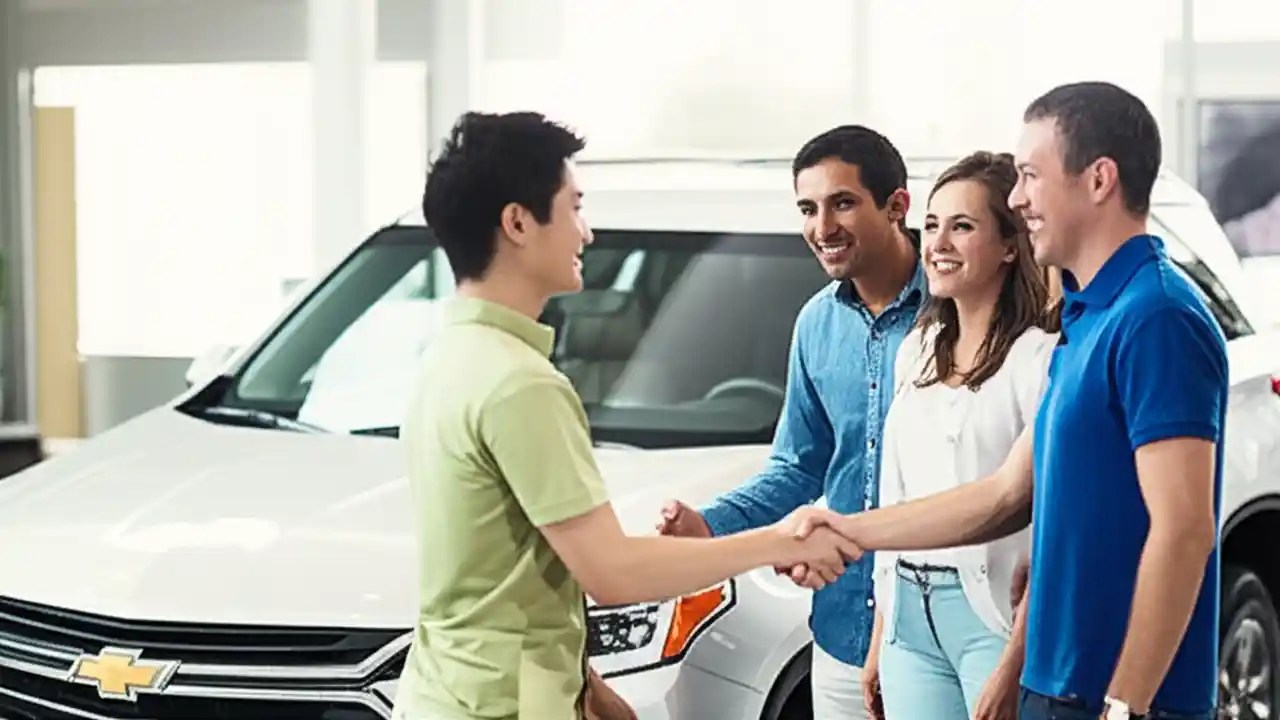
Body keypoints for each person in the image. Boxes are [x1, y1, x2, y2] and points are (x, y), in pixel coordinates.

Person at [390, 110, 861, 720]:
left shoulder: (449, 360)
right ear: (517, 223)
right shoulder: (520, 384)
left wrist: (586, 687)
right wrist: (774, 541)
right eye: (574, 207)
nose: (585, 233)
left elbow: (502, 572)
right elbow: (611, 572)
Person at [786, 81, 1229, 720]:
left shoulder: (1155, 316)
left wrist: (1125, 706)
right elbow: (1002, 497)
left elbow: (1185, 530)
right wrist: (847, 530)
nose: (1018, 198)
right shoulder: (1087, 317)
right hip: (1059, 681)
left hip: (1115, 694)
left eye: (1029, 176)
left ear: (1098, 179)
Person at [657, 124, 958, 718]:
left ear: (897, 205)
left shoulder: (958, 308)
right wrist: (709, 527)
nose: (823, 228)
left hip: (943, 632)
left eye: (842, 202)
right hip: (843, 633)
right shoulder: (816, 324)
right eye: (808, 208)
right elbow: (797, 467)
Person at [864, 150, 1058, 720]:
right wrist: (881, 635)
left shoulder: (1039, 358)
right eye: (931, 225)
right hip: (908, 617)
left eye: (962, 226)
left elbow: (1049, 523)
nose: (938, 243)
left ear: (1008, 245)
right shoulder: (917, 349)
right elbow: (893, 501)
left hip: (990, 618)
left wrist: (1014, 661)